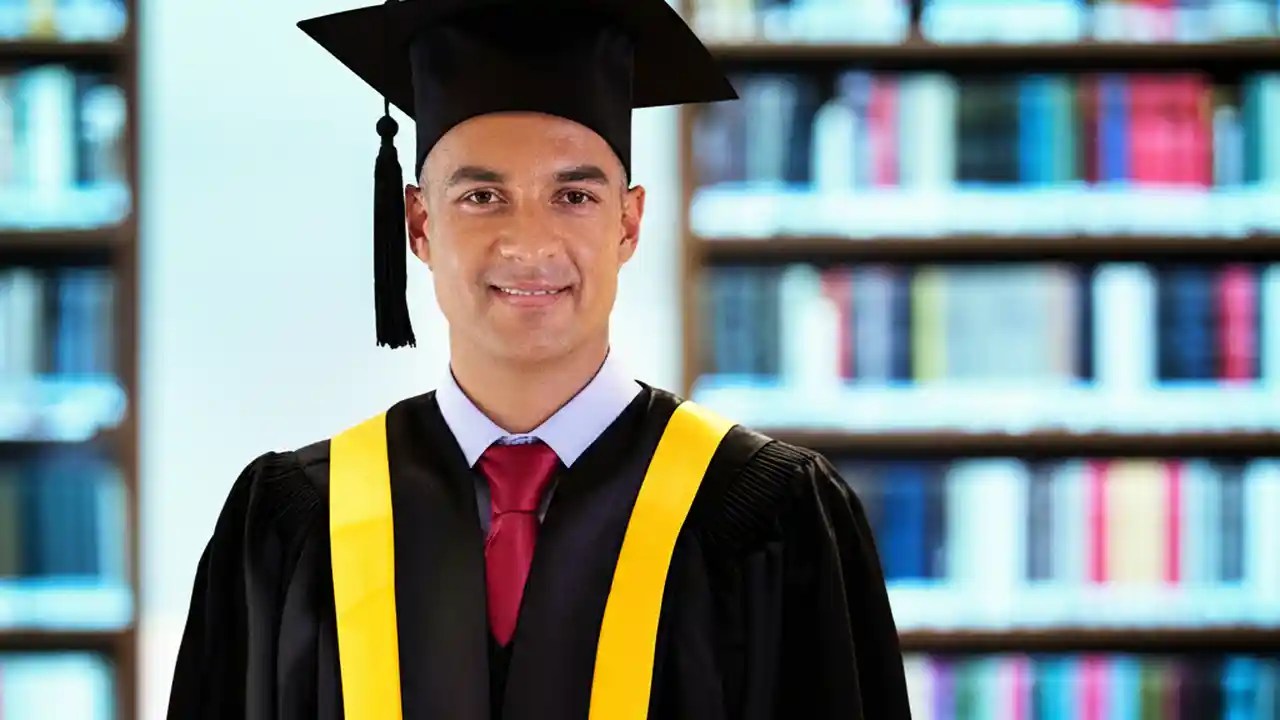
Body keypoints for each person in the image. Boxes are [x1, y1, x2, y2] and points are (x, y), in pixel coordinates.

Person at [166, 0, 912, 718]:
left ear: (629, 221)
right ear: (418, 224)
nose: (528, 244)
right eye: (483, 196)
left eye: (574, 197)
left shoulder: (769, 517)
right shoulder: (294, 526)